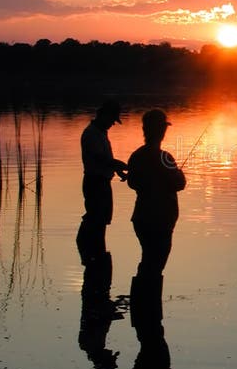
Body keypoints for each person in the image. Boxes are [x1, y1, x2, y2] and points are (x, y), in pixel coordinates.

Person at [127, 109, 186, 339]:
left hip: (141, 218)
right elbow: (180, 183)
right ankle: (148, 314)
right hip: (160, 220)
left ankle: (142, 315)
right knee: (155, 264)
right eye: (163, 127)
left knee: (147, 262)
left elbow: (132, 183)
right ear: (160, 130)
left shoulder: (136, 156)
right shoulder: (165, 157)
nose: (163, 131)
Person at [76, 100, 128, 268]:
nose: (113, 123)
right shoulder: (91, 133)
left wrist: (118, 170)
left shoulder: (101, 132)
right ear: (104, 115)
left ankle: (93, 251)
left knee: (101, 219)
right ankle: (89, 249)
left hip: (102, 182)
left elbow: (105, 159)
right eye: (113, 119)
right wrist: (119, 165)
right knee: (95, 218)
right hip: (95, 182)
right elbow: (100, 158)